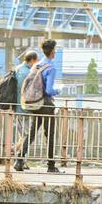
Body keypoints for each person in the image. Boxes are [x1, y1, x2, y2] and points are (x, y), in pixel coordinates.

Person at [15, 38, 63, 175]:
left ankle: (19, 160)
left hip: (35, 103)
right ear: (53, 52)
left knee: (32, 133)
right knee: (50, 134)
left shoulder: (37, 65)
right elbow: (48, 90)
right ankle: (51, 165)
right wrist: (58, 90)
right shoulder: (51, 68)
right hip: (46, 104)